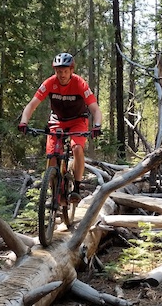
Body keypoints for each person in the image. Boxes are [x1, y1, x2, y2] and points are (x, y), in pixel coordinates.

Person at [18, 52, 103, 203]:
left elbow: (95, 109)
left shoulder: (80, 84)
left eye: (65, 71)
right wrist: (24, 122)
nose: (62, 75)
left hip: (78, 120)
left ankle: (76, 187)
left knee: (77, 148)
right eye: (59, 71)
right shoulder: (49, 83)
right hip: (57, 120)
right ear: (55, 71)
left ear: (71, 70)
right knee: (52, 157)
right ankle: (54, 194)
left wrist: (97, 125)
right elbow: (31, 105)